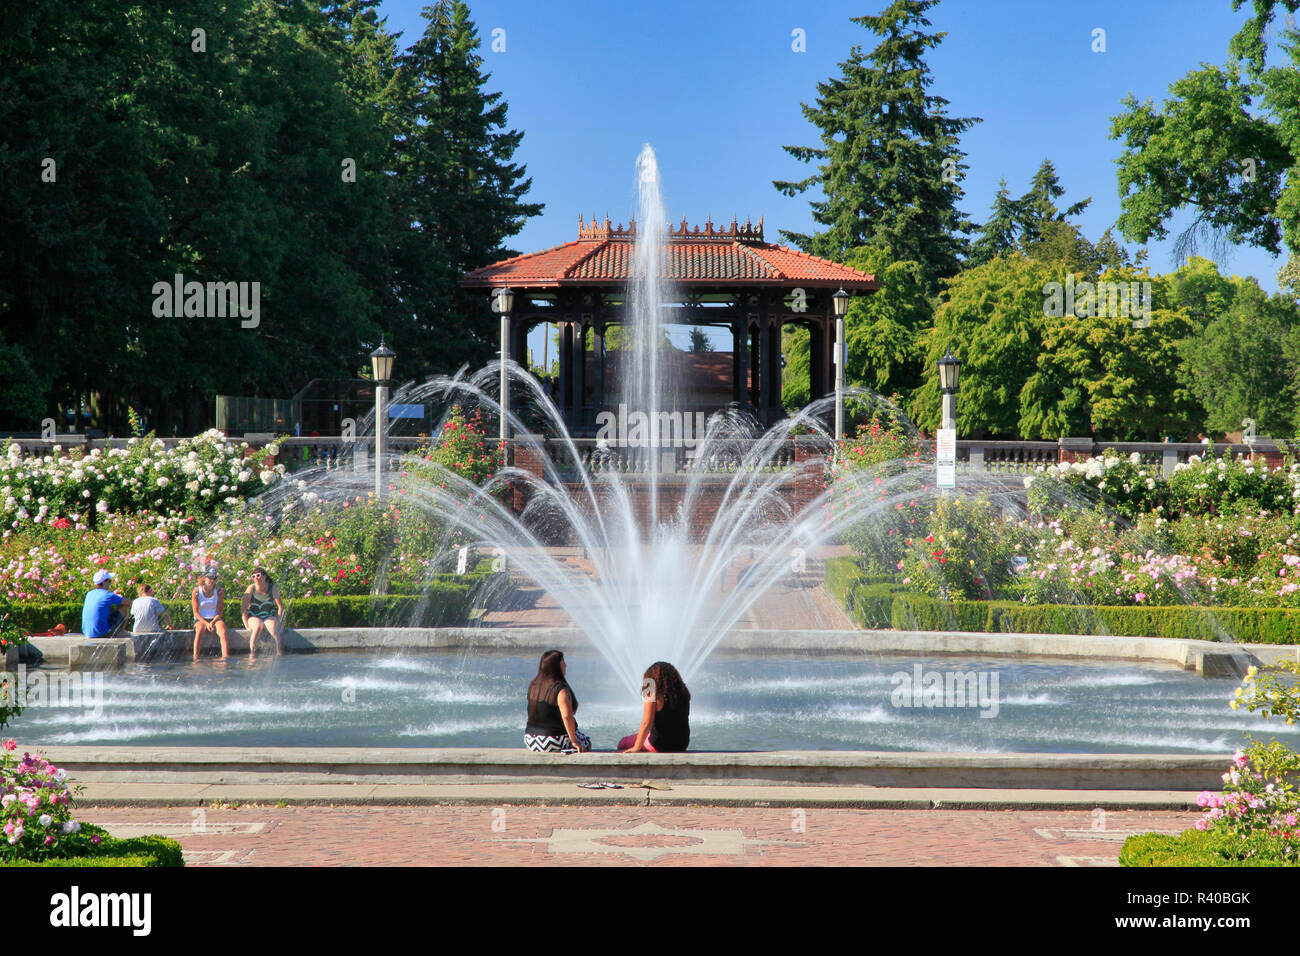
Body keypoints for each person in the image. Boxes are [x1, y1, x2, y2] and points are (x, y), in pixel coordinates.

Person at [524, 650, 591, 753]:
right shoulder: (560, 689)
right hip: (551, 741)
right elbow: (567, 716)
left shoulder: (534, 686)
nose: (566, 665)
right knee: (586, 742)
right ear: (557, 667)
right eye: (563, 662)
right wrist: (574, 742)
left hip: (531, 741)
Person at [619, 661, 691, 753]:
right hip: (681, 744)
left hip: (659, 745)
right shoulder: (683, 694)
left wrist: (636, 748)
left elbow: (646, 723)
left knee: (623, 743)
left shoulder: (653, 694)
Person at [241, 567, 285, 659]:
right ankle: (252, 654)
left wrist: (279, 620)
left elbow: (280, 606)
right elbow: (244, 608)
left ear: (264, 576)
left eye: (258, 575)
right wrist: (246, 625)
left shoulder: (272, 588)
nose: (256, 578)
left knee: (273, 627)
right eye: (253, 576)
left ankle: (279, 653)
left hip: (269, 615)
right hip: (254, 616)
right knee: (257, 627)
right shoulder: (251, 588)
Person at [191, 571, 229, 661]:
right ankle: (196, 657)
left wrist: (212, 622)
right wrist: (206, 623)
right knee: (200, 629)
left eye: (214, 578)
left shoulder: (219, 592)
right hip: (200, 619)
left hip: (215, 618)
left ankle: (225, 658)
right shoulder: (196, 592)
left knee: (223, 631)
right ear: (204, 578)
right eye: (209, 578)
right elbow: (195, 612)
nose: (211, 580)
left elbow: (220, 612)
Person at [81, 570, 125, 638]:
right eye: (109, 581)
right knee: (124, 607)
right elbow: (128, 601)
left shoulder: (89, 594)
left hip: (87, 633)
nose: (110, 583)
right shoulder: (107, 595)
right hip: (102, 633)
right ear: (104, 582)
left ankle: (117, 631)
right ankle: (121, 632)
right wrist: (120, 598)